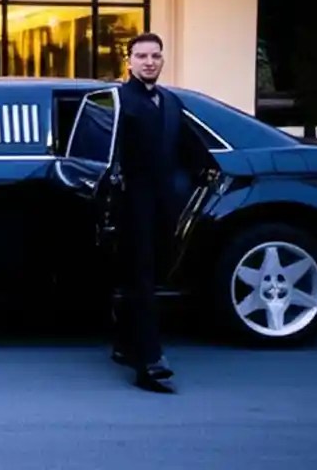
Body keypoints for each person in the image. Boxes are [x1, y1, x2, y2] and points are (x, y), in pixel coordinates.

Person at [109, 32, 207, 393]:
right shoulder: (117, 102)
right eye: (141, 56)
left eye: (155, 55)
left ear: (162, 59)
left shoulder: (171, 102)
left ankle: (123, 345)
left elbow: (189, 151)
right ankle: (149, 363)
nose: (149, 61)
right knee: (142, 282)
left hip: (165, 209)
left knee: (142, 281)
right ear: (129, 61)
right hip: (128, 208)